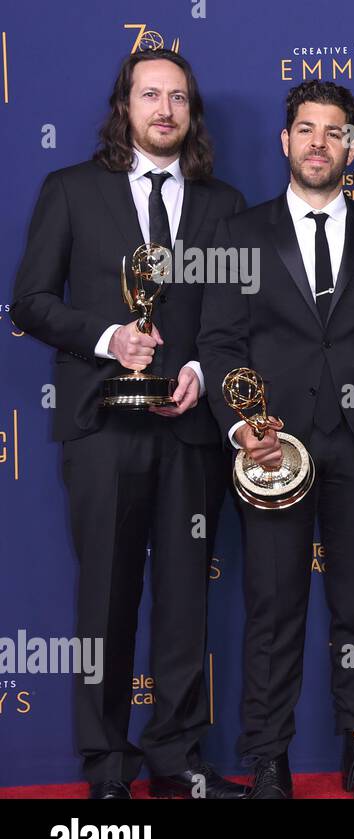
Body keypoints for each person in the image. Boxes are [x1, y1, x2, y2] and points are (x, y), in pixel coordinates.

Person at [198, 80, 354, 799]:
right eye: (306, 129)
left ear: (352, 147)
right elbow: (220, 343)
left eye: (333, 132)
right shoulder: (241, 233)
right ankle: (268, 760)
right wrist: (244, 430)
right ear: (285, 141)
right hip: (273, 453)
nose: (318, 143)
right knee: (272, 608)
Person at [11, 49, 246, 800]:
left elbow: (233, 313)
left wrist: (201, 374)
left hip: (189, 429)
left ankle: (177, 759)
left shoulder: (224, 205)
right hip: (102, 425)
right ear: (124, 106)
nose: (165, 110)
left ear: (192, 113)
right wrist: (111, 340)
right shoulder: (72, 191)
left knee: (186, 601)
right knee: (105, 599)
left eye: (178, 98)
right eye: (151, 95)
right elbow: (31, 302)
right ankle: (108, 765)